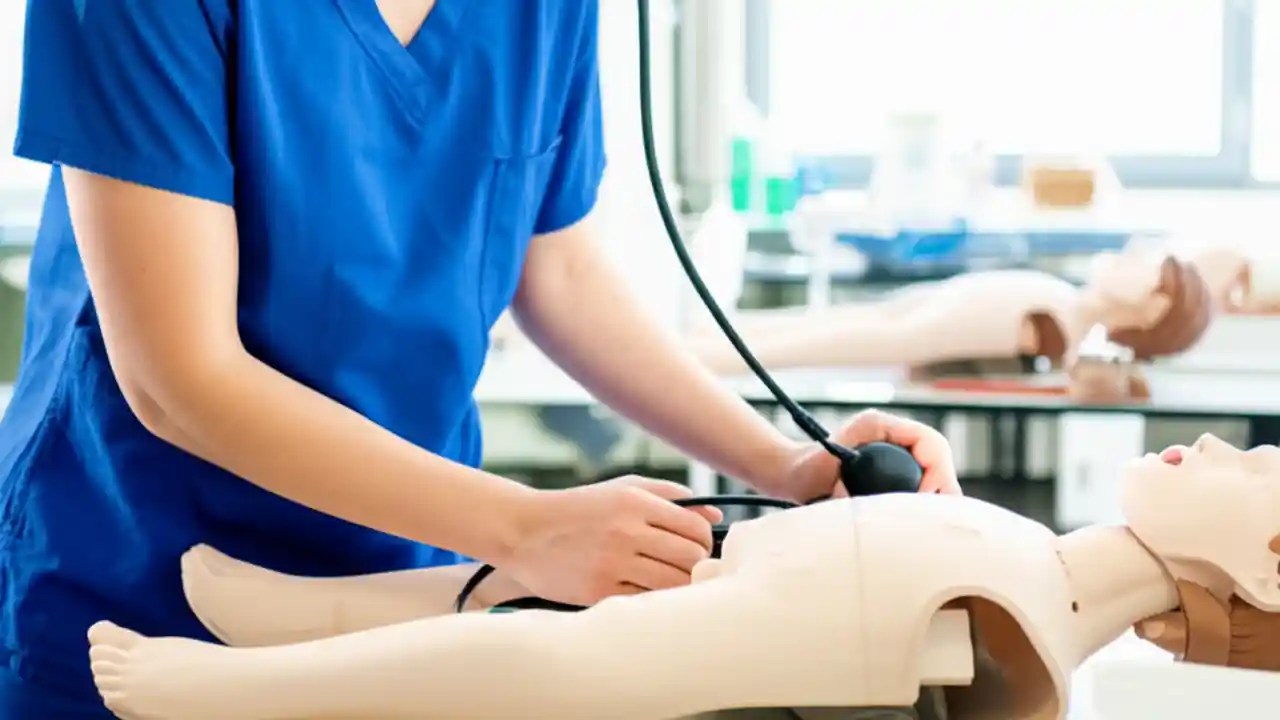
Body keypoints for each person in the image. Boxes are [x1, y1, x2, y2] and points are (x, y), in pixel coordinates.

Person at [0, 1, 960, 715]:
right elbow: (182, 380)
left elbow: (562, 277)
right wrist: (526, 529)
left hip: (410, 590)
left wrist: (783, 467)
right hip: (129, 582)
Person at [83, 435, 1280, 720]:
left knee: (565, 653)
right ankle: (292, 620)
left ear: (1264, 562)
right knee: (532, 587)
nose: (1216, 448)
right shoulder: (1029, 557)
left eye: (1253, 466)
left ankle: (222, 689)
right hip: (776, 564)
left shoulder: (1030, 622)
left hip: (820, 619)